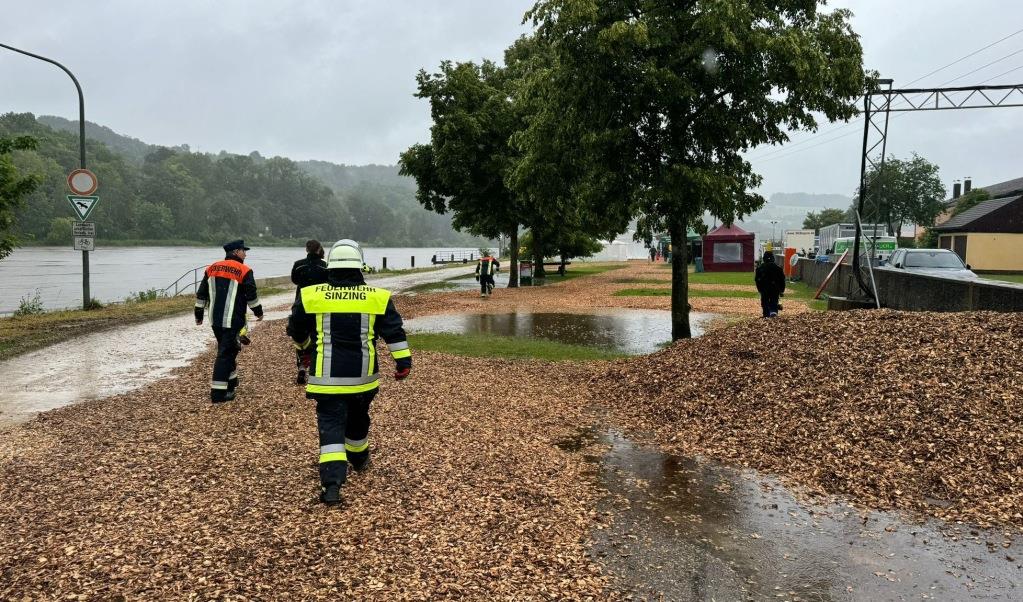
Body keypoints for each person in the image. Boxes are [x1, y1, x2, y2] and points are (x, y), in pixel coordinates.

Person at [289, 239, 412, 507]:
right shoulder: (378, 297)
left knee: (331, 426)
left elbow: (296, 329)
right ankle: (358, 458)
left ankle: (332, 484)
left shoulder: (310, 295)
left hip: (326, 380)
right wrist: (403, 363)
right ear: (360, 267)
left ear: (330, 267)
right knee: (358, 418)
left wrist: (305, 348)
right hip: (362, 379)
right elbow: (394, 333)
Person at [195, 240, 264, 403]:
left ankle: (231, 382)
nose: (245, 254)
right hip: (233, 320)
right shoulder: (244, 270)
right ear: (235, 252)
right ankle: (218, 394)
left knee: (228, 349)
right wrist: (258, 312)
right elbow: (251, 295)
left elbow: (201, 294)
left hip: (215, 320)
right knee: (225, 354)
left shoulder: (211, 268)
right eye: (243, 251)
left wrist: (198, 314)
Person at [289, 240, 328, 384]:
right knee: (317, 336)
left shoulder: (298, 264)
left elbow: (294, 280)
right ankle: (316, 369)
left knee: (300, 338)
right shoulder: (325, 266)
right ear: (319, 250)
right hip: (318, 305)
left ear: (306, 250)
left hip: (301, 304)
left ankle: (302, 366)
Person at [754, 250, 786, 318]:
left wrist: (759, 289)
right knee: (774, 300)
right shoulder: (778, 268)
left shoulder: (759, 268)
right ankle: (773, 313)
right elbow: (782, 280)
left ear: (764, 258)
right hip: (775, 288)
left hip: (764, 288)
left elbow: (757, 280)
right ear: (773, 258)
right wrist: (782, 290)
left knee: (765, 302)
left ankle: (766, 315)